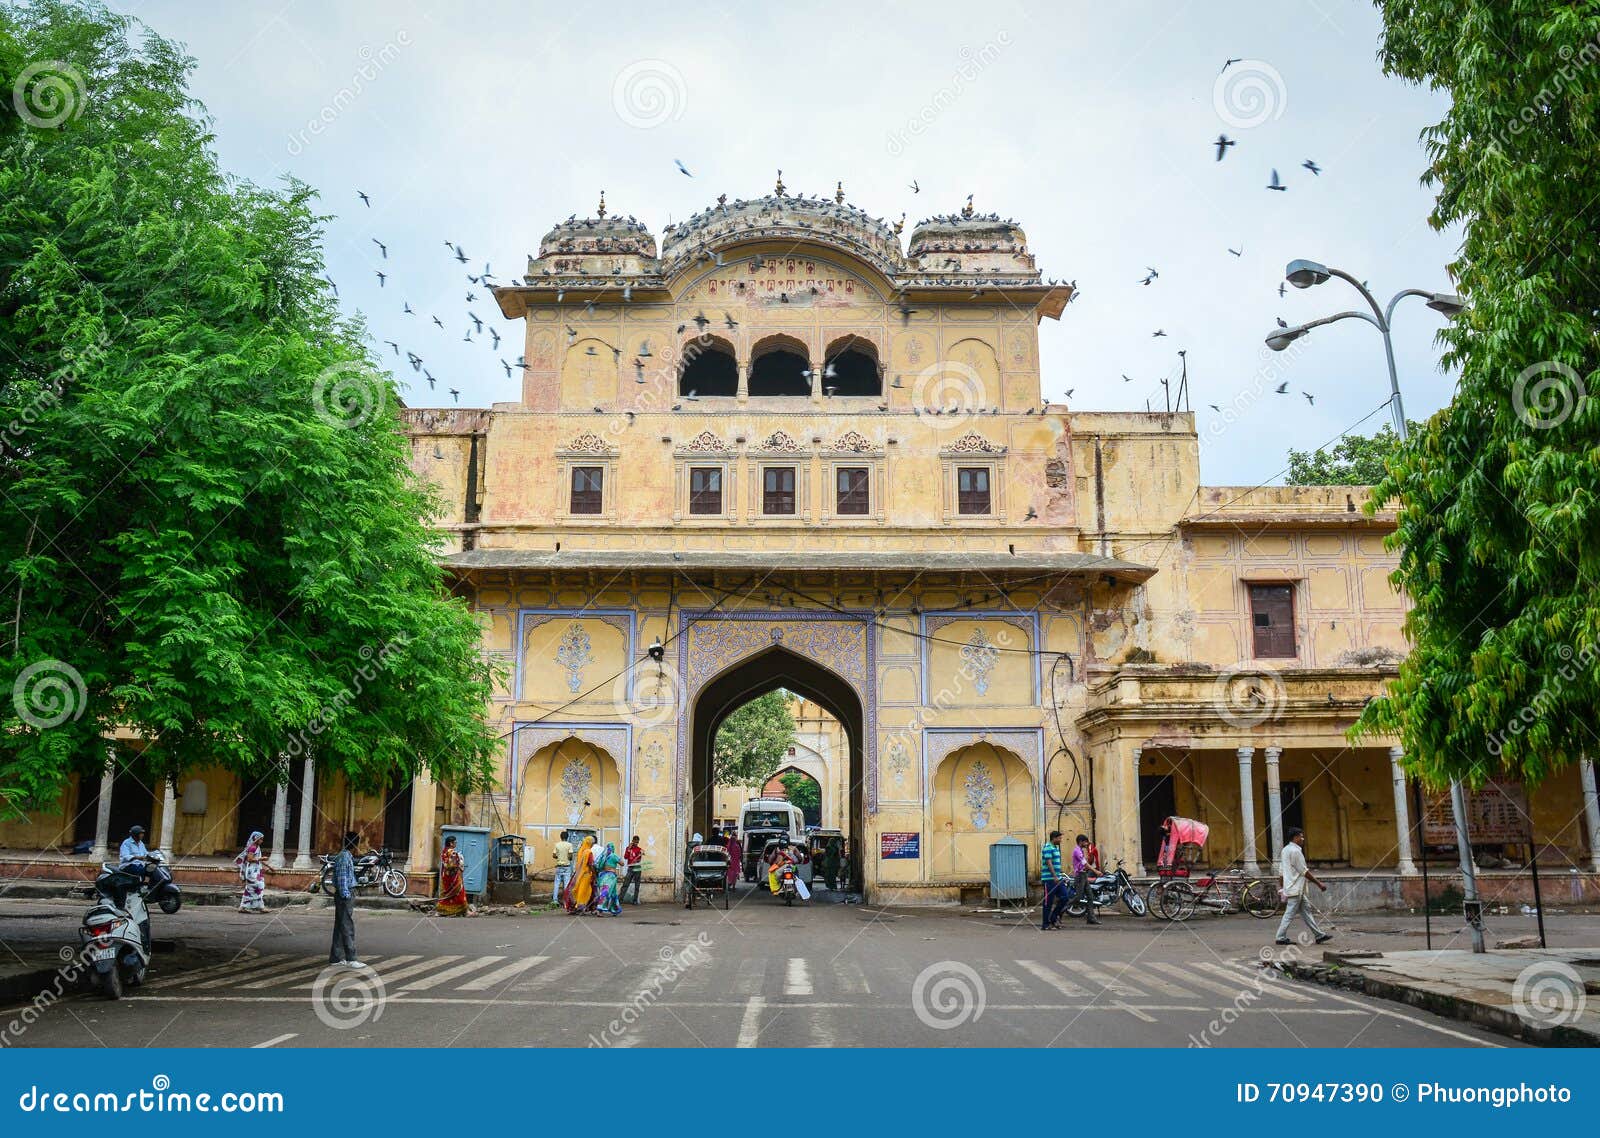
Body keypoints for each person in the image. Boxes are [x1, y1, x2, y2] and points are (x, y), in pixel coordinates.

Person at [1275, 827, 1332, 946]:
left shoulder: (1285, 850)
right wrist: (1319, 883)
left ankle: (1319, 935)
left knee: (1306, 912)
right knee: (1289, 914)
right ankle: (1280, 937)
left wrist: (1282, 886)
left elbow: (1281, 871)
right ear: (1295, 837)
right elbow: (1304, 871)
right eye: (1301, 836)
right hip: (1296, 889)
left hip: (1294, 888)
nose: (1303, 839)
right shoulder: (1295, 851)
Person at [329, 831, 364, 968]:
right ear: (355, 844)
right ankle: (351, 958)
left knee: (340, 926)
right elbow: (342, 879)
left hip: (344, 894)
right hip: (345, 895)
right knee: (347, 926)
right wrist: (346, 895)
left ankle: (336, 958)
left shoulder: (345, 856)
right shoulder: (344, 857)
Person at [1040, 830, 1069, 930]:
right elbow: (1049, 863)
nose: (1061, 840)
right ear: (1054, 838)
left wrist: (1060, 872)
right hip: (1049, 879)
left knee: (1065, 897)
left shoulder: (1055, 848)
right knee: (1048, 902)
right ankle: (1045, 924)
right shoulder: (1048, 847)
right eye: (1059, 838)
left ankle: (1053, 917)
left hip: (1058, 878)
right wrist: (1054, 876)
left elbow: (1055, 862)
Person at [234, 830, 267, 913]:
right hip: (252, 871)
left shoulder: (257, 847)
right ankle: (260, 907)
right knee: (257, 887)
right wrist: (261, 858)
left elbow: (258, 859)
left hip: (256, 870)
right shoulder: (253, 847)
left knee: (252, 888)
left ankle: (244, 907)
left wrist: (269, 866)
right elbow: (249, 859)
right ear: (256, 839)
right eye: (260, 839)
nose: (262, 841)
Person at [1071, 833, 1101, 926]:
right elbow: (1085, 863)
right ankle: (1061, 910)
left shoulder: (1080, 850)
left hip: (1083, 875)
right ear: (1081, 842)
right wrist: (1095, 871)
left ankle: (1091, 918)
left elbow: (1084, 864)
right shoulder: (1077, 851)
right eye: (1085, 842)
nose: (1087, 844)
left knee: (1090, 897)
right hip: (1080, 876)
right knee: (1078, 898)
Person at [563, 834, 597, 913]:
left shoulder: (581, 851)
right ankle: (580, 906)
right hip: (586, 874)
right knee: (584, 891)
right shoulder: (589, 852)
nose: (593, 844)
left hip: (579, 874)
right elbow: (590, 864)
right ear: (590, 843)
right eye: (592, 843)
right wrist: (594, 874)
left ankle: (576, 906)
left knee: (579, 890)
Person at [437, 835, 469, 916]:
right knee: (458, 892)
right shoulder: (452, 852)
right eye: (455, 842)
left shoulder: (444, 851)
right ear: (451, 843)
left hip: (445, 876)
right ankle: (462, 910)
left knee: (446, 893)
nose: (456, 843)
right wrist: (460, 861)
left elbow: (445, 864)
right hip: (453, 876)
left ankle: (443, 910)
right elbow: (453, 865)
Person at [593, 842, 624, 915]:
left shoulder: (603, 857)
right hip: (611, 877)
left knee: (613, 893)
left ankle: (615, 909)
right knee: (605, 891)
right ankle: (600, 909)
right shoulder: (613, 855)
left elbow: (599, 866)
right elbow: (622, 863)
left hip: (603, 876)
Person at [551, 829, 574, 906]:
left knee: (556, 883)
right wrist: (569, 858)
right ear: (567, 837)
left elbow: (554, 855)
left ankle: (555, 900)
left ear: (560, 837)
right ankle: (565, 902)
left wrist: (559, 857)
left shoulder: (557, 845)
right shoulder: (569, 845)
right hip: (567, 867)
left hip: (559, 866)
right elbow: (570, 856)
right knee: (566, 884)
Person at [621, 835, 643, 904]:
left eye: (637, 842)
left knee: (637, 885)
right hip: (630, 868)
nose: (636, 843)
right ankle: (620, 899)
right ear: (632, 841)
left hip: (637, 867)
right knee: (625, 884)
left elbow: (639, 859)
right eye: (635, 842)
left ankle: (635, 900)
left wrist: (639, 857)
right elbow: (625, 857)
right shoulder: (628, 848)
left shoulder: (639, 849)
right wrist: (629, 849)